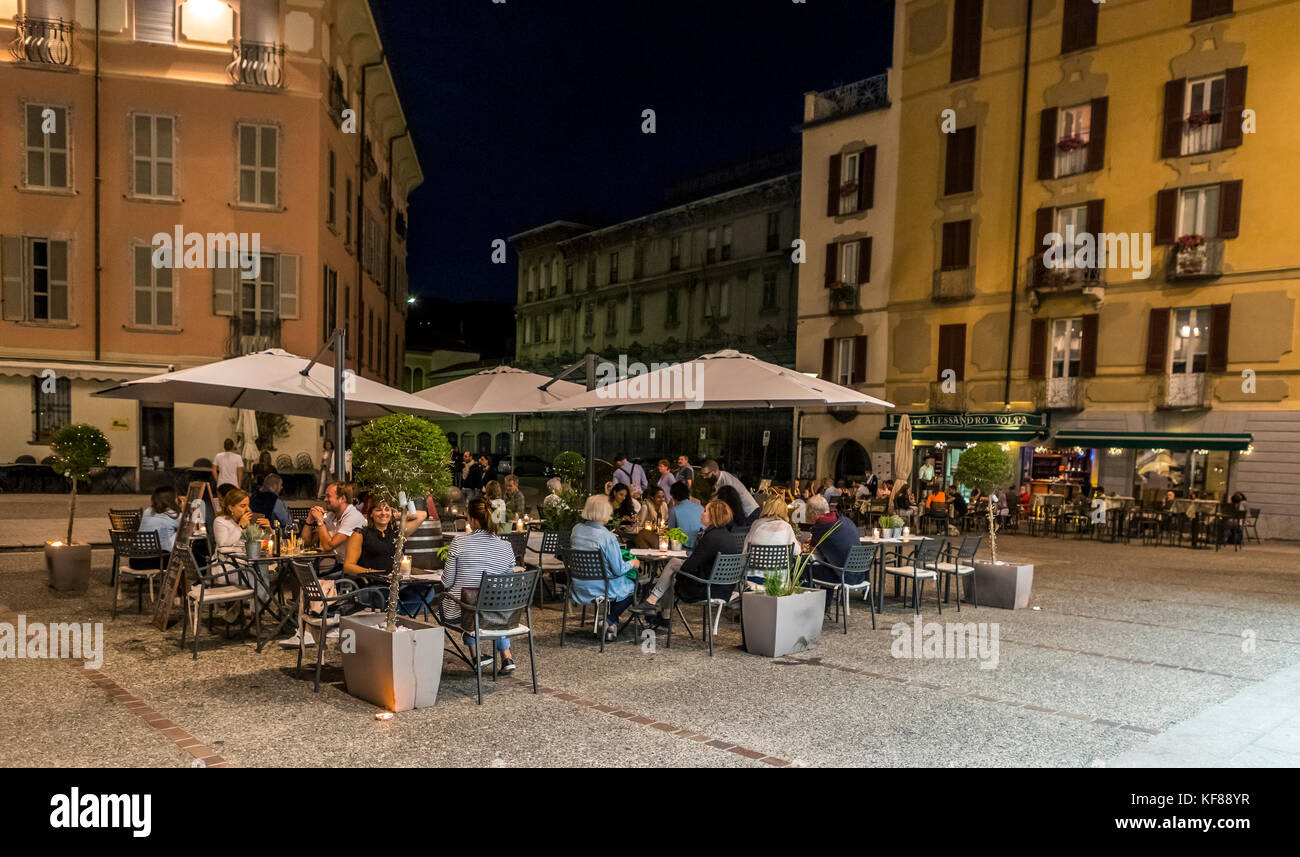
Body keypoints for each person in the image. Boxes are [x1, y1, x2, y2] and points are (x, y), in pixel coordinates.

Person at [440, 497, 520, 672]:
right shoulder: (506, 546)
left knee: (471, 605)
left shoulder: (458, 543)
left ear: (472, 519)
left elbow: (447, 582)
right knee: (490, 604)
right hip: (498, 612)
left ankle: (477, 657)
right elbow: (506, 584)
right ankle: (507, 657)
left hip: (465, 610)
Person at [629, 499, 735, 621]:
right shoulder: (728, 536)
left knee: (672, 570)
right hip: (723, 590)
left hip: (707, 589)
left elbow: (688, 567)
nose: (701, 513)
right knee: (672, 572)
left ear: (714, 515)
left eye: (705, 510)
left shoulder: (711, 537)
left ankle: (653, 604)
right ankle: (661, 613)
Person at [342, 495, 430, 620]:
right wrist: (372, 573)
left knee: (427, 591)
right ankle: (398, 618)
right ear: (371, 514)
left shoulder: (397, 532)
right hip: (374, 586)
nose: (383, 513)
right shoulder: (360, 534)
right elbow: (348, 567)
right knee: (392, 599)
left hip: (398, 584)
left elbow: (422, 515)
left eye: (387, 509)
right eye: (378, 510)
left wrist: (396, 514)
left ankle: (397, 617)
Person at [569, 494, 639, 641]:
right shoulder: (607, 537)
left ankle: (611, 625)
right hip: (603, 587)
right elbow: (618, 569)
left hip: (579, 585)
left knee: (618, 580)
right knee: (635, 587)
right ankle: (609, 620)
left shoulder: (576, 530)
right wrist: (633, 563)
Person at [806, 494, 865, 603]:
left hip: (843, 577)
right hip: (860, 574)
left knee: (804, 569)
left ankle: (807, 608)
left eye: (810, 516)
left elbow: (813, 553)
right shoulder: (845, 520)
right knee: (829, 563)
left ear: (814, 513)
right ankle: (825, 606)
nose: (811, 519)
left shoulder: (819, 527)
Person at [304, 481, 367, 563]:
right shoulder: (331, 515)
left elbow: (328, 546)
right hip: (339, 565)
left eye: (328, 496)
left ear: (342, 499)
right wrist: (310, 519)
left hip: (355, 569)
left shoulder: (353, 517)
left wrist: (320, 521)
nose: (325, 499)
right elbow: (308, 544)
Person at [743, 496, 803, 563]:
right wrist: (799, 544)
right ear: (784, 511)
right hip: (778, 572)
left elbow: (745, 550)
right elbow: (797, 551)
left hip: (754, 572)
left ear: (766, 508)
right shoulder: (786, 527)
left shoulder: (756, 524)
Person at [139, 487, 182, 552]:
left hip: (137, 556)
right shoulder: (174, 514)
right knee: (181, 534)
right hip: (159, 557)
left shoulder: (147, 511)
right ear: (172, 500)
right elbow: (187, 529)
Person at [665, 480, 703, 547]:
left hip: (683, 549)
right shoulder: (701, 508)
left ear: (673, 497)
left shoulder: (674, 510)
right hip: (701, 547)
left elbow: (671, 532)